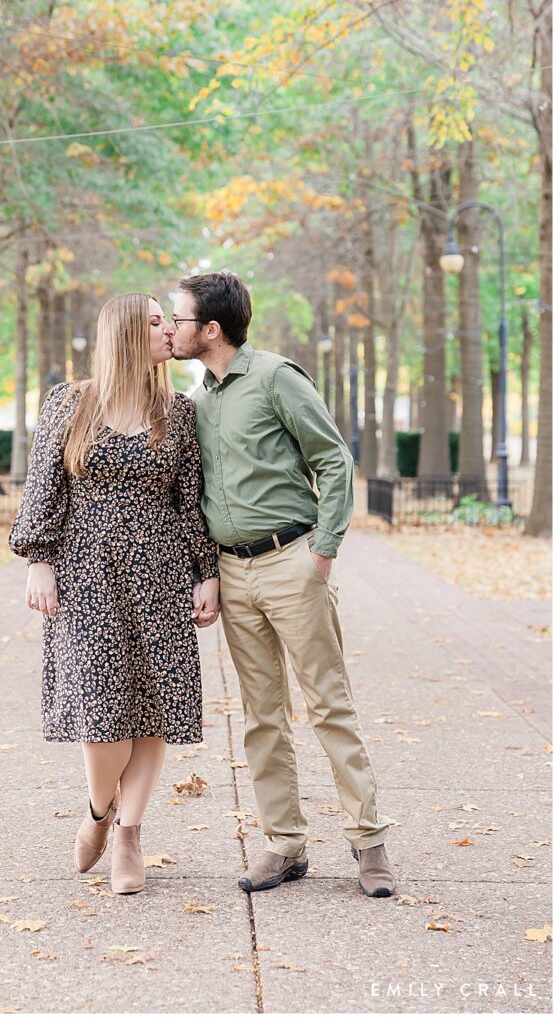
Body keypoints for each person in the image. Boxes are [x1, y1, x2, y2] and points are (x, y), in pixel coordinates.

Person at [169, 271, 395, 898]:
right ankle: (284, 846)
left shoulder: (276, 378)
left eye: (179, 318)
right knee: (261, 715)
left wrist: (322, 553)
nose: (173, 328)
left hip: (291, 561)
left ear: (210, 329)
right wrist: (206, 573)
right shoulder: (200, 400)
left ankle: (370, 842)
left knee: (329, 704)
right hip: (232, 573)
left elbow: (332, 459)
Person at [8, 293, 219, 895]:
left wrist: (206, 573)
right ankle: (99, 810)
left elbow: (191, 500)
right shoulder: (70, 403)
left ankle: (129, 833)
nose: (169, 331)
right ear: (127, 334)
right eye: (156, 322)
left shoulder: (176, 412)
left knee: (154, 706)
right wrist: (38, 559)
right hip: (85, 569)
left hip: (160, 569)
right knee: (103, 715)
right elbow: (43, 482)